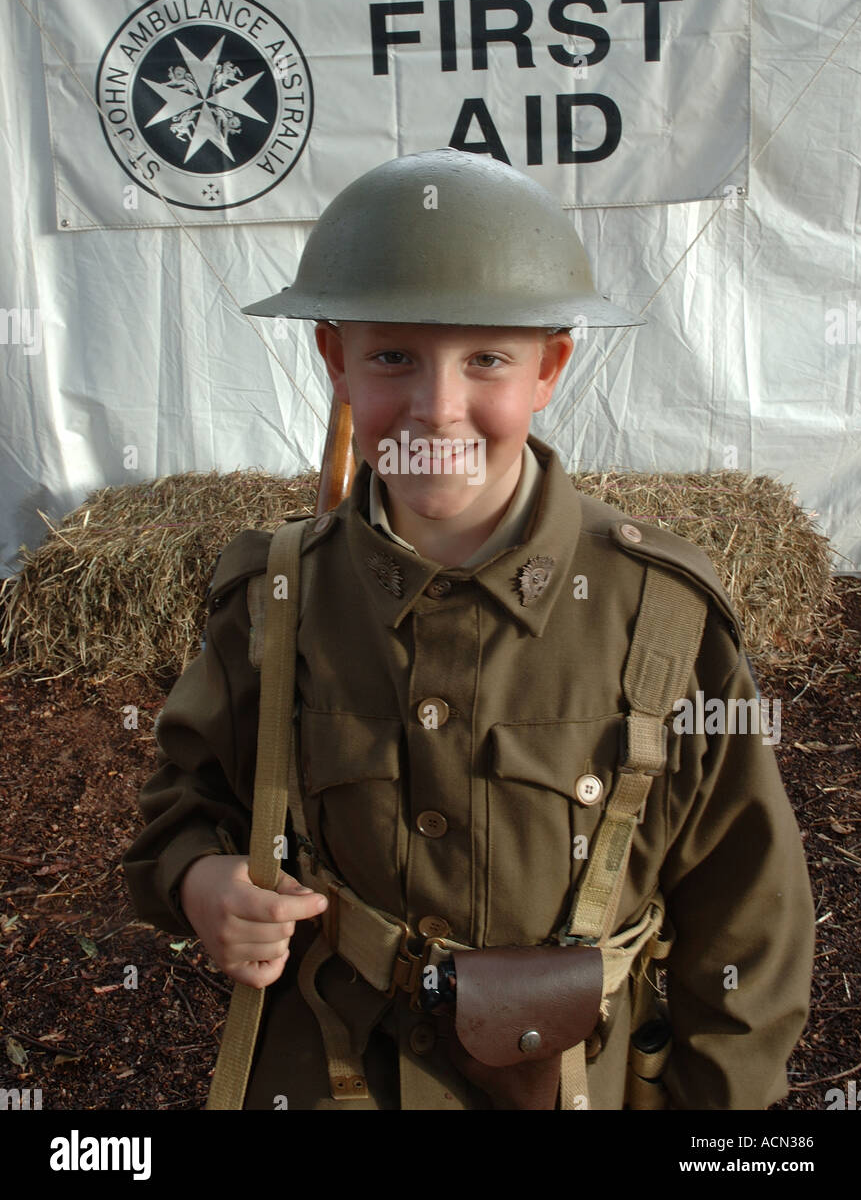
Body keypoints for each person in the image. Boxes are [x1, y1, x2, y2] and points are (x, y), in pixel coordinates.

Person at [123, 148, 814, 1111]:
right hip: (332, 1067)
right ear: (336, 361)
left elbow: (748, 912)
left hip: (581, 1079)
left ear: (550, 368)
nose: (436, 408)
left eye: (486, 358)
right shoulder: (275, 599)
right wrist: (201, 882)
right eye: (393, 357)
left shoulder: (661, 617)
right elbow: (182, 804)